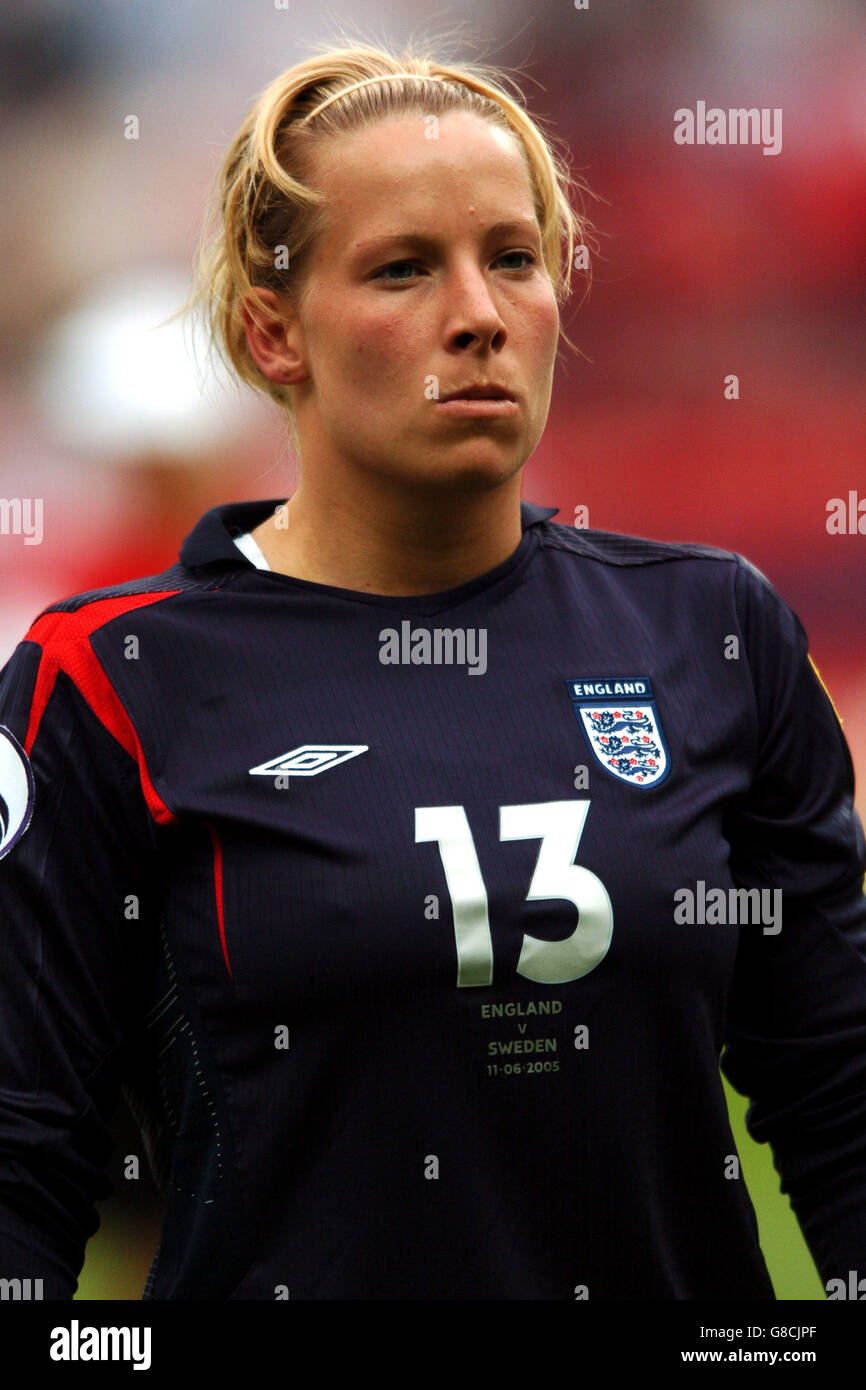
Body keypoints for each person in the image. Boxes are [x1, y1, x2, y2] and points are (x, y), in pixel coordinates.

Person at [1, 37, 865, 1302]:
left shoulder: (713, 630)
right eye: (402, 268)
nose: (476, 314)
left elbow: (838, 1090)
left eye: (511, 258)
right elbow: (22, 1161)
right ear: (270, 331)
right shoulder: (108, 679)